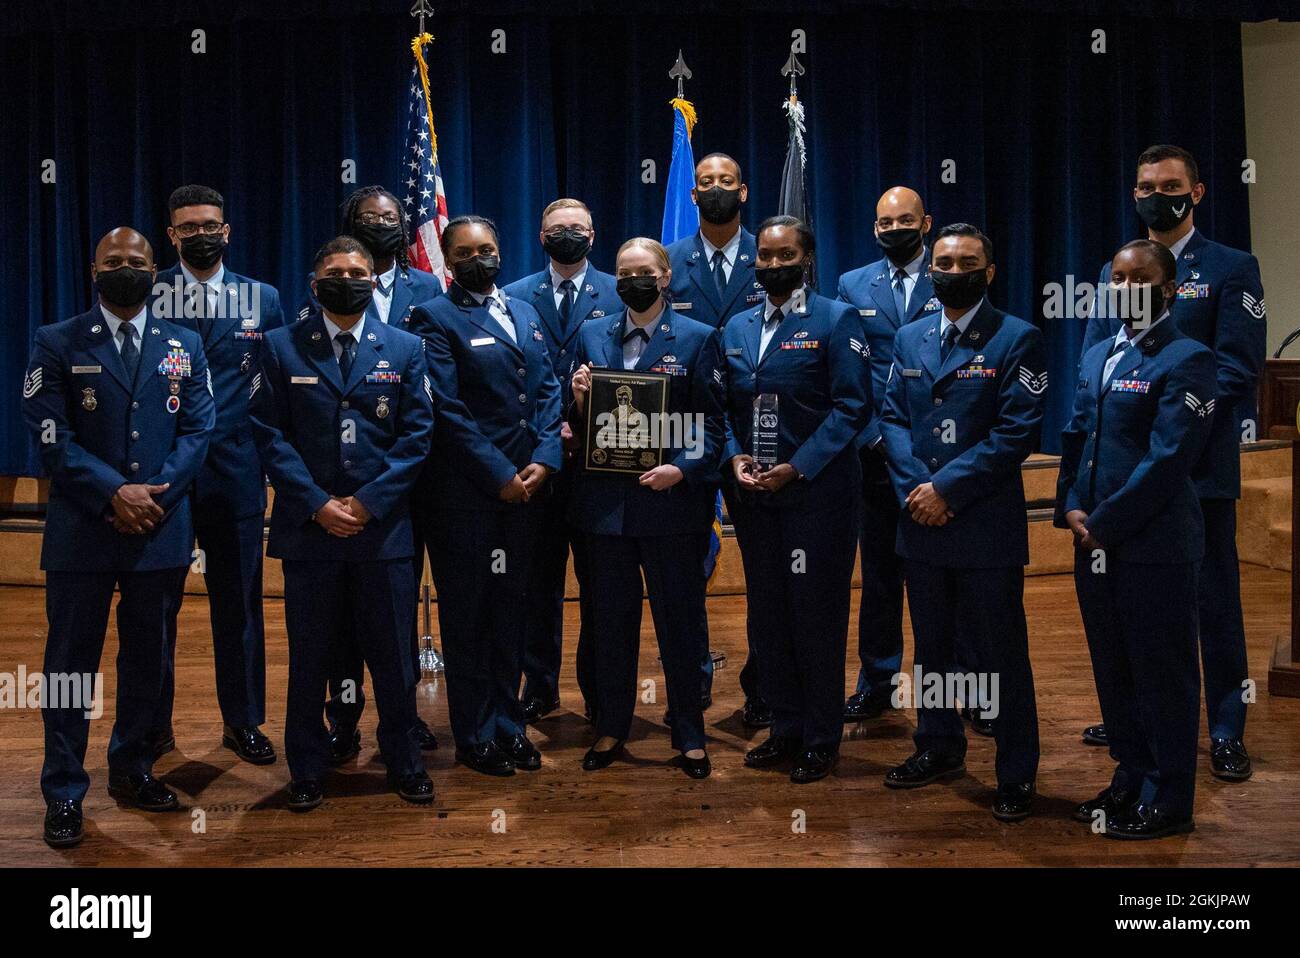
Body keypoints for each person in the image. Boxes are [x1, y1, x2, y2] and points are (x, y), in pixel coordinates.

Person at [1079, 145, 1265, 780]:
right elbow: (1097, 366)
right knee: (1130, 608)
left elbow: (1239, 366)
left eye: (1168, 185)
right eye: (1144, 186)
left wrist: (1177, 435)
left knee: (1212, 603)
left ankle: (1224, 726)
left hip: (1196, 473)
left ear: (1198, 192)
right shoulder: (1121, 267)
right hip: (1122, 480)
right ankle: (1139, 715)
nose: (1155, 195)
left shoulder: (1232, 268)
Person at [24, 227, 214, 847]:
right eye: (114, 261)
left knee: (148, 659)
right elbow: (51, 436)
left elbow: (198, 430)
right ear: (93, 268)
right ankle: (64, 790)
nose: (125, 268)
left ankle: (132, 769)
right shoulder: (56, 340)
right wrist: (114, 492)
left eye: (137, 261)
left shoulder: (183, 344)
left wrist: (152, 497)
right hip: (84, 529)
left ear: (156, 270)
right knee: (69, 667)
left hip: (157, 529)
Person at [250, 236, 434, 810]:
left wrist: (369, 502)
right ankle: (306, 768)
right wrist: (315, 502)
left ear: (374, 280)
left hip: (383, 534)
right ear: (314, 281)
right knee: (310, 658)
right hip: (310, 533)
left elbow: (418, 435)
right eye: (337, 271)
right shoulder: (280, 348)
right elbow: (267, 434)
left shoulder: (405, 348)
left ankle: (404, 760)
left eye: (359, 271)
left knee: (393, 658)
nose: (350, 279)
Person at [879, 223, 1045, 822]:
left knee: (1000, 654)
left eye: (967, 262)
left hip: (983, 526)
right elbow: (891, 420)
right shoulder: (909, 337)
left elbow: (1015, 433)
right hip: (919, 523)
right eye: (944, 262)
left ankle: (1016, 769)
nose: (953, 270)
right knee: (933, 650)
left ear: (989, 272)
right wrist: (915, 491)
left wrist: (945, 489)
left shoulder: (1017, 339)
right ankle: (940, 744)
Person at [1058, 239, 1216, 838]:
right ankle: (1131, 775)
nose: (1125, 288)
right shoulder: (1099, 351)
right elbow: (1077, 439)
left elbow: (1169, 460)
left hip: (1155, 548)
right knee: (1114, 668)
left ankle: (1170, 798)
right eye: (1116, 279)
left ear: (1169, 288)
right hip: (1094, 542)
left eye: (1139, 278)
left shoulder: (1188, 358)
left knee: (1163, 674)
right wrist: (1071, 505)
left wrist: (1103, 523)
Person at [568, 237, 726, 778]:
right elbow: (578, 424)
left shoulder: (700, 339)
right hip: (607, 510)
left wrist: (681, 468)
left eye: (644, 271)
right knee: (610, 624)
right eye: (623, 271)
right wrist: (582, 397)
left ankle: (689, 734)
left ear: (665, 277)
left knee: (679, 623)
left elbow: (712, 425)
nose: (632, 280)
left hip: (672, 505)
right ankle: (612, 725)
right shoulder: (592, 333)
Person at [722, 216, 871, 783]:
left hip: (818, 497)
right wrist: (735, 457)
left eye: (786, 255)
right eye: (764, 256)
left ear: (806, 259)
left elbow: (852, 408)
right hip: (755, 497)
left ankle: (820, 736)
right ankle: (784, 728)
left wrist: (797, 467)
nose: (773, 265)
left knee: (815, 617)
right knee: (768, 618)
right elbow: (721, 411)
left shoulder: (837, 319)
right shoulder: (736, 328)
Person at [416, 216, 562, 776]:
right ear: (448, 262)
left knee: (513, 615)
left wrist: (545, 458)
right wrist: (499, 470)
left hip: (527, 493)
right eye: (467, 252)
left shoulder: (524, 311)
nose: (481, 259)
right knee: (469, 619)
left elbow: (548, 390)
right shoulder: (435, 317)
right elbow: (446, 409)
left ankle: (509, 723)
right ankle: (474, 732)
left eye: (489, 249)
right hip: (468, 497)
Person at [149, 184, 284, 766]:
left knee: (240, 604)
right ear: (171, 236)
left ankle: (243, 721)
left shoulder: (263, 298)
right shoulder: (146, 294)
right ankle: (152, 728)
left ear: (226, 231)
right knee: (155, 608)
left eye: (210, 225)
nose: (200, 235)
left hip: (236, 471)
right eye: (187, 227)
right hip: (163, 477)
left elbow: (275, 386)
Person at [316, 185, 443, 763]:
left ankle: (404, 721)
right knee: (340, 621)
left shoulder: (429, 286)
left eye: (391, 217)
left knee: (395, 616)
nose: (382, 224)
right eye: (370, 218)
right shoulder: (323, 293)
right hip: (341, 487)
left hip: (414, 480)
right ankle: (343, 719)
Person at [502, 198, 622, 724]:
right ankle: (540, 685)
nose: (567, 235)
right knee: (537, 584)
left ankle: (600, 690)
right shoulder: (512, 296)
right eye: (557, 229)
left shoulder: (621, 291)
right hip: (535, 463)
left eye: (577, 228)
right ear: (541, 236)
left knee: (600, 585)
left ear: (593, 236)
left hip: (602, 463)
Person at [835, 186, 944, 726]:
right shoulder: (853, 284)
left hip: (941, 460)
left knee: (947, 583)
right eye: (884, 222)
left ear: (926, 224)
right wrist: (876, 435)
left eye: (905, 220)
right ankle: (877, 681)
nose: (894, 229)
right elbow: (853, 371)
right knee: (879, 578)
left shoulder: (949, 269)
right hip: (876, 456)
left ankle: (956, 690)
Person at [666, 152, 767, 720]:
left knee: (764, 572)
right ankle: (693, 681)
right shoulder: (670, 261)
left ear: (744, 190)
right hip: (686, 434)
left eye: (726, 181)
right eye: (705, 182)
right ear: (693, 195)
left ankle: (763, 685)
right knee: (685, 573)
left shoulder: (772, 253)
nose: (716, 189)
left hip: (758, 437)